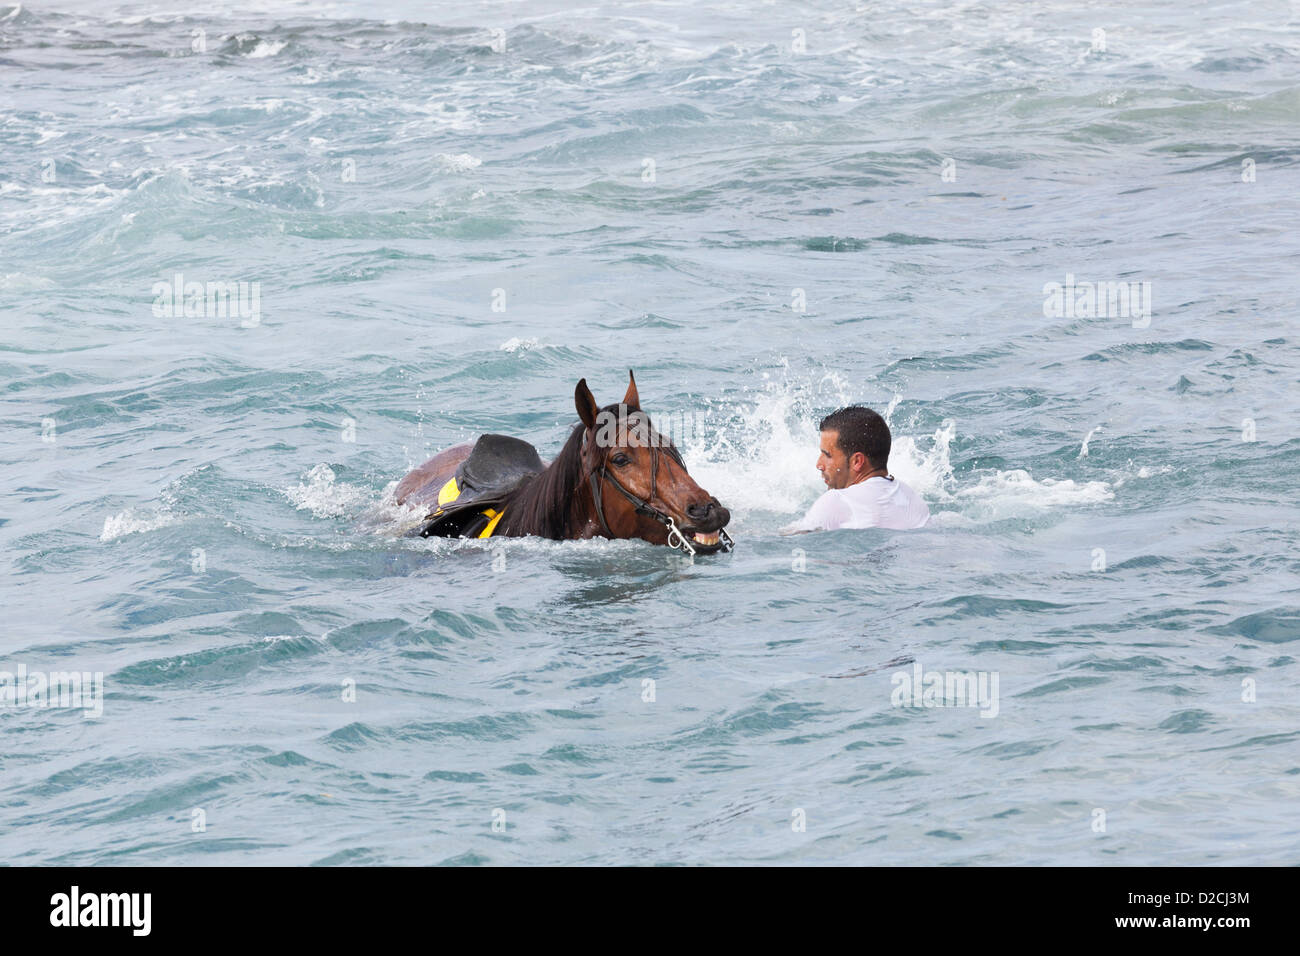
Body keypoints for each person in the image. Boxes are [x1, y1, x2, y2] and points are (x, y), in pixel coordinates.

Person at [783, 405, 930, 532]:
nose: (819, 464)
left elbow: (791, 544)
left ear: (857, 462)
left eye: (827, 455)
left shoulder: (836, 501)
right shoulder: (913, 499)